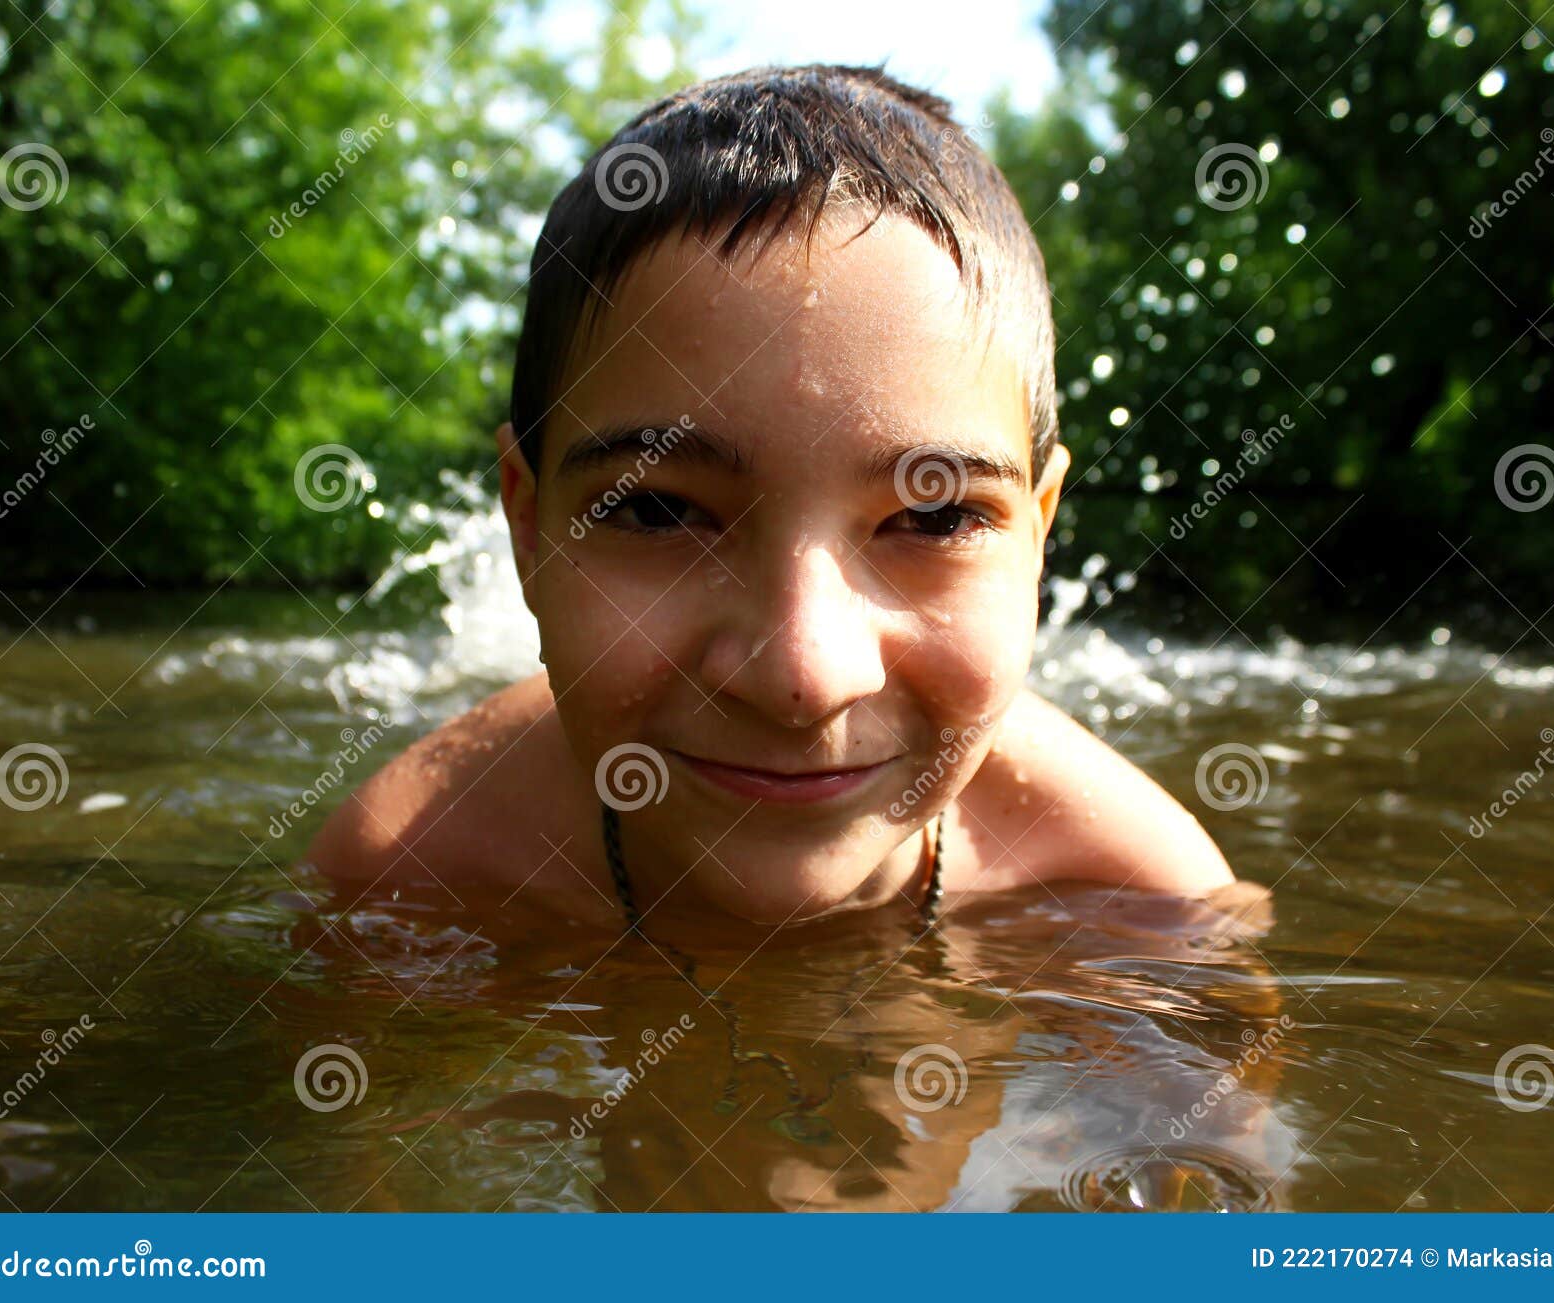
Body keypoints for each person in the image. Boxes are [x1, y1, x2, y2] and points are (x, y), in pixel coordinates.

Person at [307, 63, 1239, 931]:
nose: (803, 678)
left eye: (933, 518)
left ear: (1037, 540)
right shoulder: (407, 874)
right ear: (527, 528)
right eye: (659, 509)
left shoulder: (1137, 901)